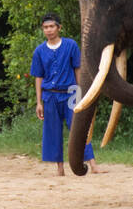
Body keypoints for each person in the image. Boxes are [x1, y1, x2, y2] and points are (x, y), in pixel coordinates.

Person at [31, 14, 103, 176]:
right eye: (45, 27)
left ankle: (93, 164)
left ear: (59, 28)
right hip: (49, 96)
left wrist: (81, 93)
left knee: (79, 128)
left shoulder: (70, 45)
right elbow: (38, 77)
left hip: (71, 94)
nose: (48, 30)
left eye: (51, 27)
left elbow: (78, 69)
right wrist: (39, 102)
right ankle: (60, 168)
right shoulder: (39, 51)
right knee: (53, 131)